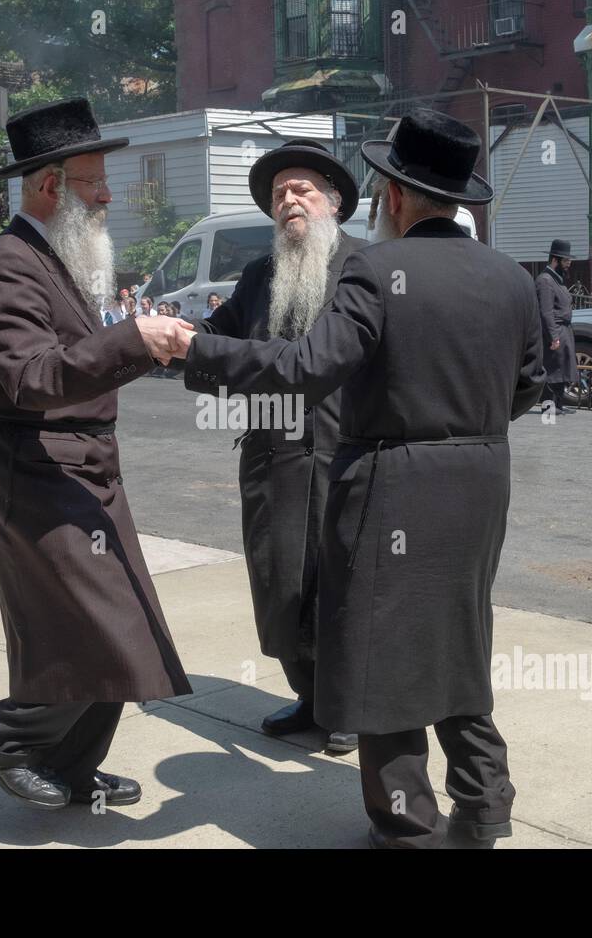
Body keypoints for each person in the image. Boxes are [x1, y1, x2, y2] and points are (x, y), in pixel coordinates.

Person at [179, 108, 545, 849]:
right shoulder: (512, 276)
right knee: (458, 641)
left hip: (390, 482)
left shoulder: (374, 270)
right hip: (480, 483)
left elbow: (308, 369)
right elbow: (532, 384)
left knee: (380, 659)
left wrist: (194, 350)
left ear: (394, 195)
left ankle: (405, 825)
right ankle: (483, 806)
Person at [0, 98, 194, 811]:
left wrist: (146, 342)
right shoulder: (8, 264)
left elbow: (73, 363)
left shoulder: (51, 257)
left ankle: (68, 767)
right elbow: (32, 378)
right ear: (49, 186)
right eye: (94, 182)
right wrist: (134, 339)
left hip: (80, 462)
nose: (108, 194)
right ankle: (10, 739)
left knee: (121, 621)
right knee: (92, 621)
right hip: (33, 464)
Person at [190, 137, 366, 756]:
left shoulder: (364, 269)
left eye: (302, 189)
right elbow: (212, 339)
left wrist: (213, 356)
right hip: (272, 455)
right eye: (278, 193)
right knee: (279, 583)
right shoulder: (260, 275)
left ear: (333, 202)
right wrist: (178, 337)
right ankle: (311, 696)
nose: (289, 200)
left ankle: (349, 706)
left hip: (346, 454)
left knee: (340, 586)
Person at [534, 239, 577, 414]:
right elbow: (546, 311)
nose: (568, 264)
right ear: (554, 260)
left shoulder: (557, 280)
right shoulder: (545, 280)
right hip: (554, 330)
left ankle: (558, 404)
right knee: (551, 369)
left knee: (562, 368)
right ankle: (548, 408)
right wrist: (554, 336)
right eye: (565, 261)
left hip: (564, 329)